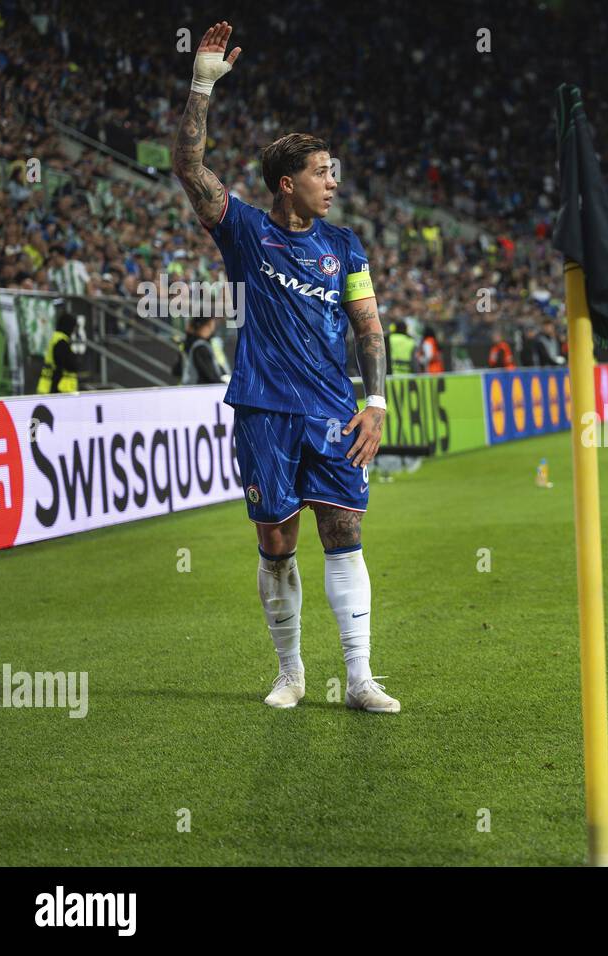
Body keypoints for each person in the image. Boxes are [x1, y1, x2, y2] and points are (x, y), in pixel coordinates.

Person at [173, 21, 398, 713]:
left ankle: (360, 678)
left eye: (333, 171)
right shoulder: (245, 230)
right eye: (322, 172)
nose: (333, 182)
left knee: (345, 532)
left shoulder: (345, 243)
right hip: (265, 407)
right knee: (276, 538)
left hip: (335, 410)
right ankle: (291, 672)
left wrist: (378, 403)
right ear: (286, 183)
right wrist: (202, 84)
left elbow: (368, 326)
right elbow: (189, 166)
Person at [36, 308, 86, 394]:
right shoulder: (61, 342)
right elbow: (64, 365)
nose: (73, 331)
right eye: (73, 327)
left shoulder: (55, 338)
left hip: (48, 387)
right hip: (60, 389)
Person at [177, 315, 229, 384]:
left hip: (191, 388)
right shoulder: (200, 347)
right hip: (201, 390)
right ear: (204, 326)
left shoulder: (190, 343)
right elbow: (210, 376)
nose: (212, 329)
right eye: (210, 325)